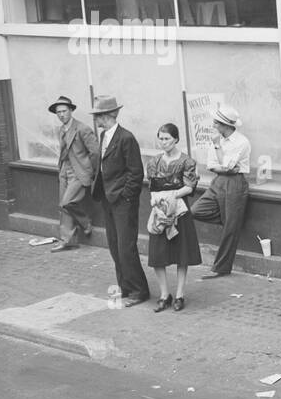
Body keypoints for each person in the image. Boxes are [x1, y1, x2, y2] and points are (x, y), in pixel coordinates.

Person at [89, 95, 150, 306]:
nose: (95, 118)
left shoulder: (126, 138)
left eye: (97, 114)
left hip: (122, 201)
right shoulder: (104, 135)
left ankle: (139, 291)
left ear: (106, 115)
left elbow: (136, 173)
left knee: (126, 247)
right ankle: (124, 287)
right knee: (114, 246)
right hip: (108, 199)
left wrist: (126, 196)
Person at [144, 122, 201, 312]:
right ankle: (163, 294)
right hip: (160, 212)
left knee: (181, 254)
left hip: (179, 211)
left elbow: (189, 186)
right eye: (160, 138)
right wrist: (156, 201)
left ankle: (179, 295)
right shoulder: (154, 162)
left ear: (176, 139)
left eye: (167, 139)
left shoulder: (186, 161)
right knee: (158, 254)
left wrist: (171, 195)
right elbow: (152, 186)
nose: (163, 142)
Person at [194, 104, 251, 279]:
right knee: (196, 210)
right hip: (219, 181)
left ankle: (221, 268)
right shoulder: (217, 139)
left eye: (216, 123)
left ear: (226, 125)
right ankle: (232, 221)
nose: (213, 126)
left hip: (235, 184)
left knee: (230, 228)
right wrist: (225, 166)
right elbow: (212, 165)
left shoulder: (241, 142)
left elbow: (227, 166)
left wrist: (219, 150)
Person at [48, 94, 99, 252]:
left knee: (67, 202)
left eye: (64, 111)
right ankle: (67, 240)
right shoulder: (61, 129)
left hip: (79, 172)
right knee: (63, 205)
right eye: (58, 112)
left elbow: (95, 152)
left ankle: (85, 223)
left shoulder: (82, 129)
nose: (61, 114)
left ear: (71, 111)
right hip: (65, 169)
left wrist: (89, 171)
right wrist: (62, 169)